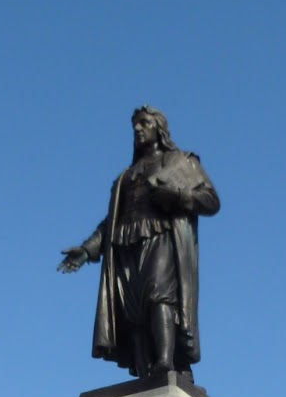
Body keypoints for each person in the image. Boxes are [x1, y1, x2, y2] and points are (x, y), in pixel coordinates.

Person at [59, 106, 219, 378]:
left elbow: (211, 200)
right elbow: (110, 223)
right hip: (125, 243)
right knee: (132, 311)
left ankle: (165, 362)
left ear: (159, 128)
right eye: (134, 125)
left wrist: (179, 196)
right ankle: (145, 370)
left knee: (159, 295)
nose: (137, 129)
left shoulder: (181, 162)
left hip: (161, 237)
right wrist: (87, 250)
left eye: (144, 123)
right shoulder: (125, 177)